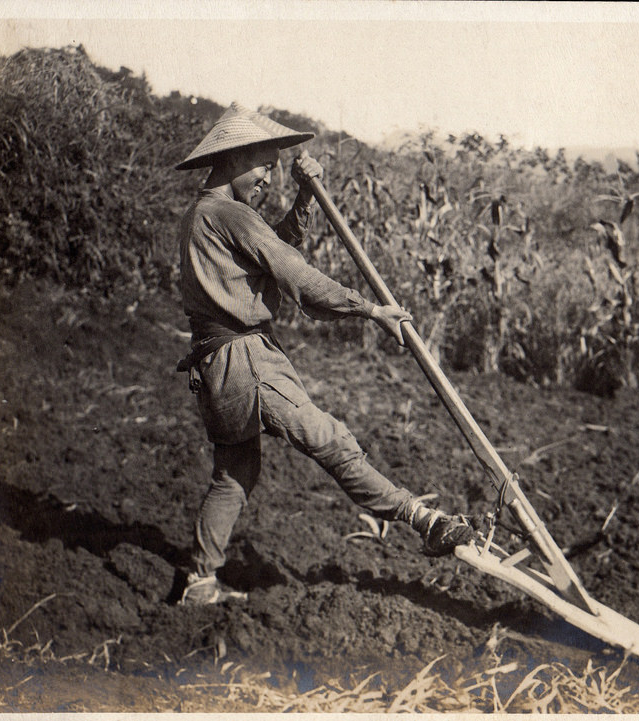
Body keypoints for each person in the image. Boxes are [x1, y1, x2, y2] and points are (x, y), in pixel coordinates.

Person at [173, 103, 475, 605]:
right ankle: (425, 521)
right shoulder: (228, 214)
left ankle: (201, 582)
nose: (269, 174)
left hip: (214, 365)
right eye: (264, 163)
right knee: (330, 439)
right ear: (232, 159)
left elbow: (270, 252)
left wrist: (304, 200)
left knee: (235, 474)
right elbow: (295, 275)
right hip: (245, 359)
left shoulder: (204, 213)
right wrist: (371, 310)